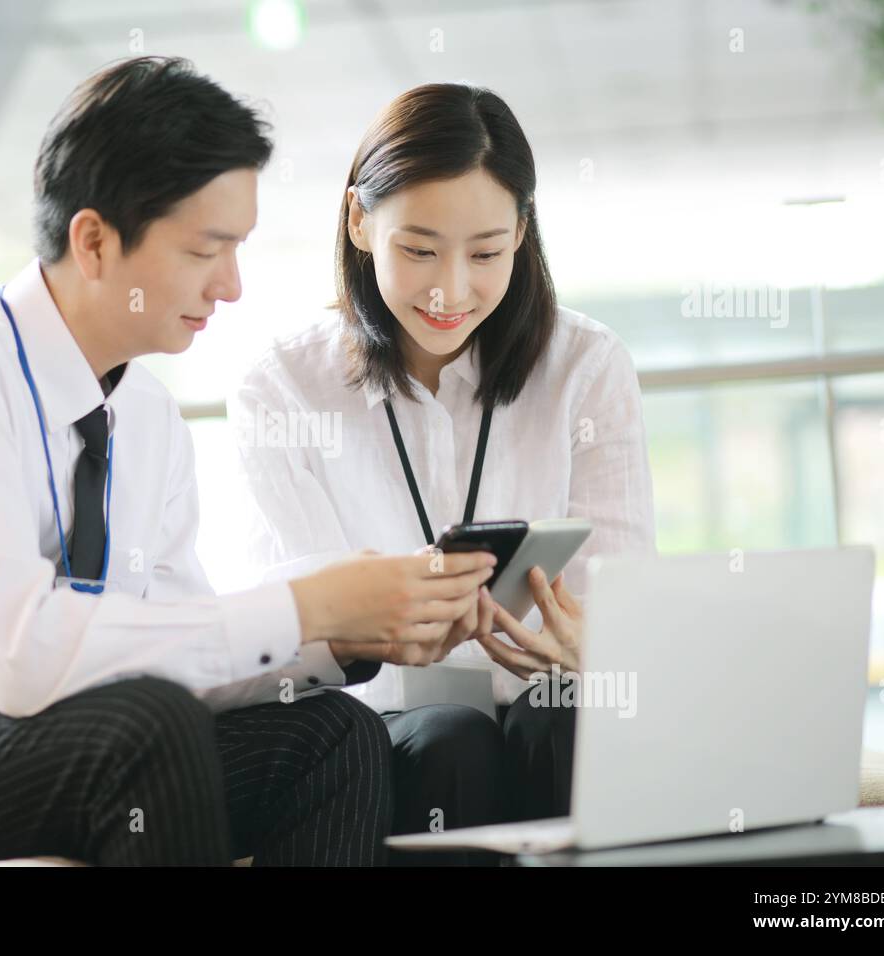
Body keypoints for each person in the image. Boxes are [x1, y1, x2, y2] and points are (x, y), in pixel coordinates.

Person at [0, 57, 499, 867]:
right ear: (93, 240)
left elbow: (181, 657)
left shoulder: (147, 417)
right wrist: (302, 604)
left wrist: (346, 631)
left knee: (331, 735)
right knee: (143, 727)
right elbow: (23, 659)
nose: (232, 286)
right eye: (205, 250)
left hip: (26, 753)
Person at [230, 82, 656, 864]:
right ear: (360, 221)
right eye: (419, 250)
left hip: (545, 702)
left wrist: (586, 647)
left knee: (565, 710)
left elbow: (623, 607)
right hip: (391, 722)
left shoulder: (587, 367)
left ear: (523, 233)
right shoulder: (283, 388)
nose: (449, 290)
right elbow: (292, 632)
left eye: (487, 253)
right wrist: (385, 623)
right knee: (452, 739)